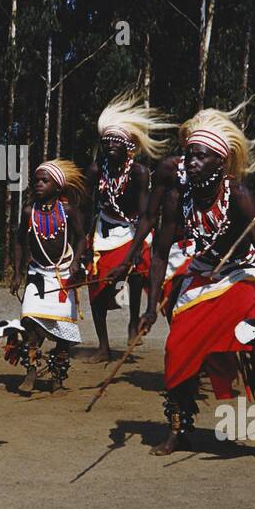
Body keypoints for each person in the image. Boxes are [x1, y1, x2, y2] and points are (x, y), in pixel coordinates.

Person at [139, 105, 255, 456]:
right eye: (188, 155)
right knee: (176, 345)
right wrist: (150, 308)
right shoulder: (178, 198)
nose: (190, 162)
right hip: (203, 272)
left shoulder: (238, 195)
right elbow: (161, 253)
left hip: (242, 271)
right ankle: (179, 428)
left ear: (220, 164)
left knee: (248, 312)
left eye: (200, 156)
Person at [80, 91, 175, 362]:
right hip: (104, 231)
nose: (110, 146)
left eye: (116, 142)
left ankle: (135, 321)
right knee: (96, 287)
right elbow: (84, 207)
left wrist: (135, 248)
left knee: (138, 271)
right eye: (106, 142)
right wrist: (84, 243)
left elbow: (147, 213)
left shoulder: (139, 172)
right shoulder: (96, 170)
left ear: (128, 148)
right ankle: (103, 346)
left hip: (135, 230)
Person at [7, 160, 86, 393]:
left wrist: (76, 262)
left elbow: (81, 238)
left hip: (63, 275)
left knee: (63, 329)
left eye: (44, 180)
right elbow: (20, 242)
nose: (38, 184)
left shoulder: (68, 211)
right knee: (29, 319)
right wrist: (18, 273)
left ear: (58, 186)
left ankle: (58, 376)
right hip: (38, 273)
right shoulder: (29, 211)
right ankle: (31, 372)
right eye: (36, 180)